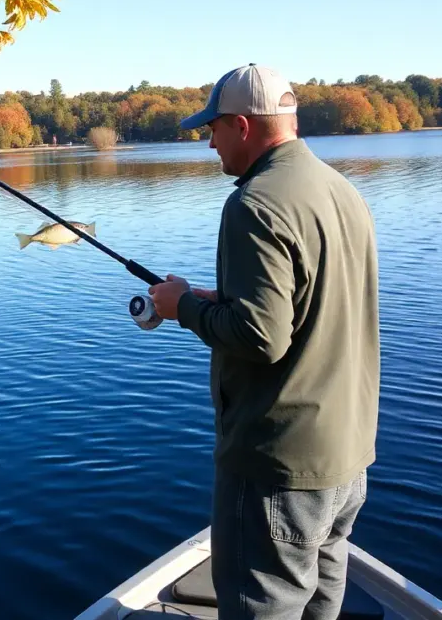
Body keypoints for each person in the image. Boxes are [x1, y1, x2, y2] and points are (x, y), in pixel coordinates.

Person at [147, 64, 381, 620]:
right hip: (346, 457)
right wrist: (213, 299)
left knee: (264, 608)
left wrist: (183, 309)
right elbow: (305, 303)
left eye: (213, 129)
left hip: (279, 467)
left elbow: (261, 337)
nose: (209, 143)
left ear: (243, 126)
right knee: (321, 606)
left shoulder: (254, 203)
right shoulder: (341, 190)